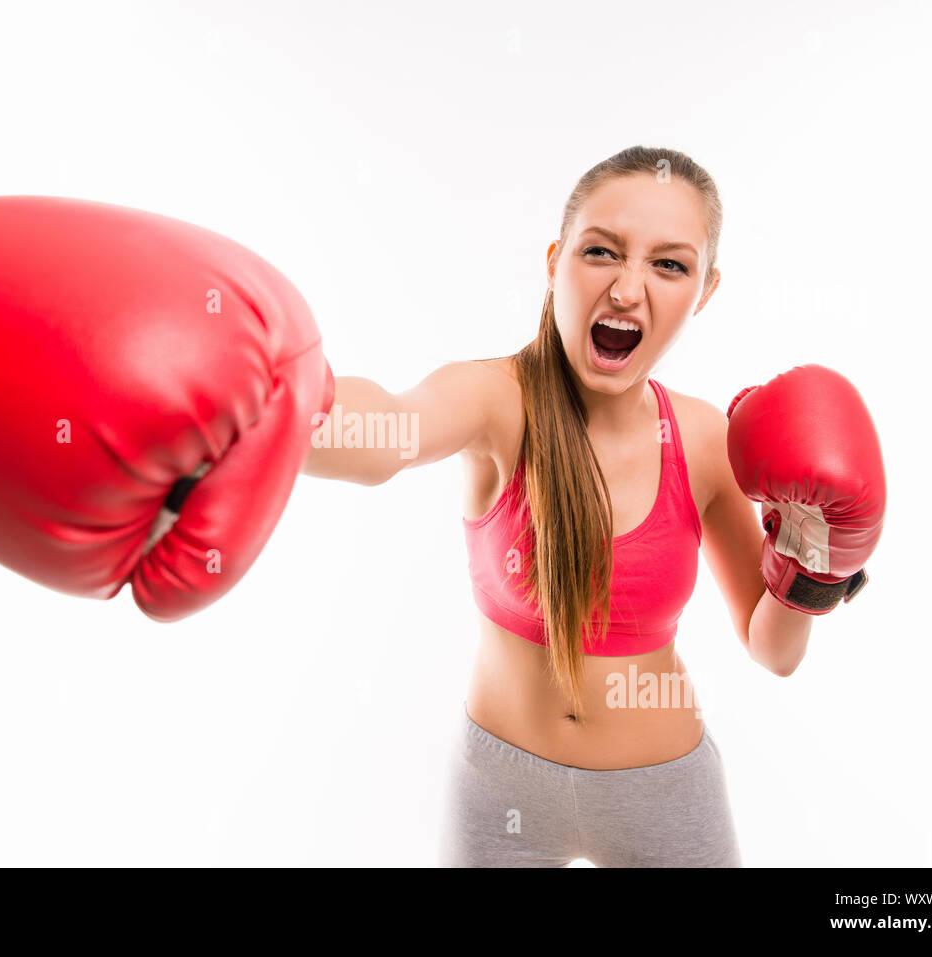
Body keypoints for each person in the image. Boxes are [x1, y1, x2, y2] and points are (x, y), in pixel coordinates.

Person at [304, 145, 786, 867]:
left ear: (705, 291)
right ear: (557, 260)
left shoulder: (704, 435)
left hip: (662, 790)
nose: (627, 289)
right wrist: (259, 405)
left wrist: (817, 565)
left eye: (669, 264)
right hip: (502, 785)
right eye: (602, 251)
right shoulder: (497, 400)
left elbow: (771, 646)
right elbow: (387, 436)